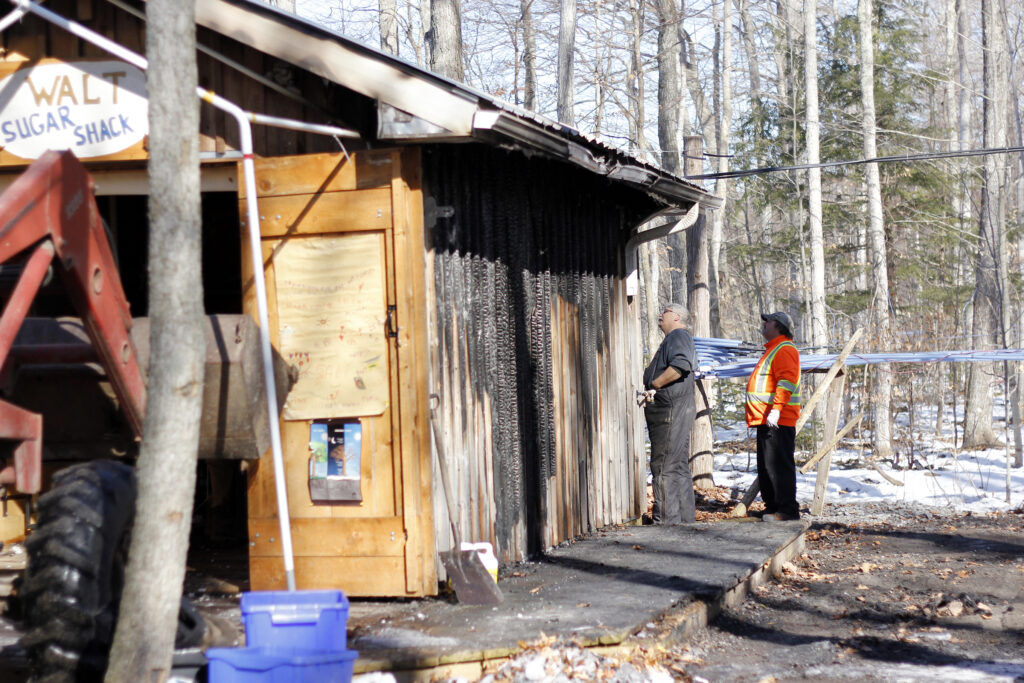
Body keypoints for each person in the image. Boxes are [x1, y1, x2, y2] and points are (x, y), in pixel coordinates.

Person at [641, 302, 697, 524]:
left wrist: (655, 384)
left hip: (671, 411)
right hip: (677, 409)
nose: (659, 315)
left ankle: (665, 522)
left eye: (664, 311)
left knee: (663, 466)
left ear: (676, 317)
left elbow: (681, 365)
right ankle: (683, 521)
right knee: (677, 466)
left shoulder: (678, 337)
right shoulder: (677, 339)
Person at [746, 312, 802, 521]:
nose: (764, 324)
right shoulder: (772, 349)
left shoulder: (784, 349)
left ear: (778, 326)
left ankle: (787, 510)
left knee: (779, 465)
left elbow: (786, 382)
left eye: (767, 321)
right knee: (767, 465)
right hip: (767, 417)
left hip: (778, 418)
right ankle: (772, 507)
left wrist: (777, 409)